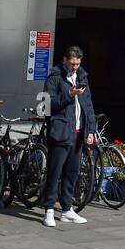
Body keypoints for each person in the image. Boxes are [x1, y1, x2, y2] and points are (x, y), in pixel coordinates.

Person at [41, 45, 96, 227]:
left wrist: (90, 131)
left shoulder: (82, 77)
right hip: (60, 132)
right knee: (54, 172)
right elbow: (46, 106)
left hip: (78, 133)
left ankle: (66, 209)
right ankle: (48, 210)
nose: (75, 67)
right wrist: (69, 95)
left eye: (78, 64)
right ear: (64, 60)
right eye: (72, 64)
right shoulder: (54, 78)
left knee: (72, 173)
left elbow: (88, 106)